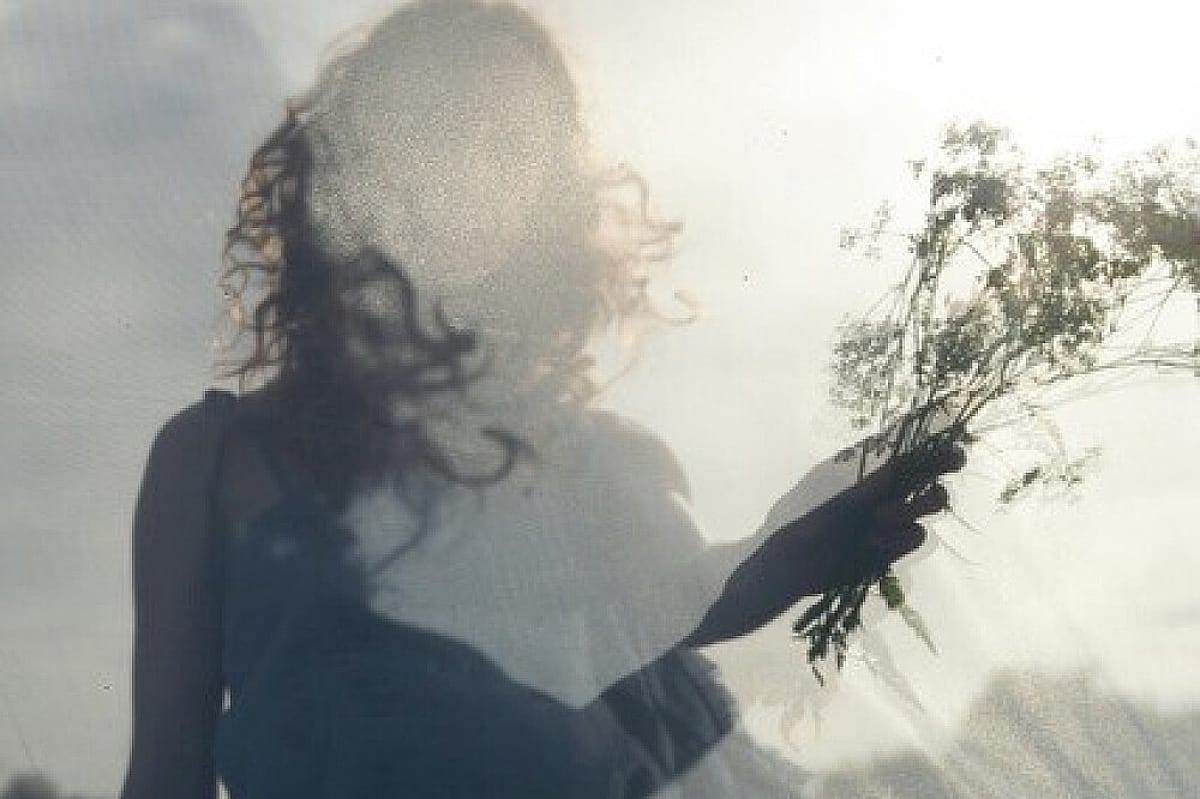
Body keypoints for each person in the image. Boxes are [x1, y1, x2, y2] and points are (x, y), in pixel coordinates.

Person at [119, 1, 961, 796]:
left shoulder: (609, 463)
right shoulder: (212, 460)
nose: (472, 169)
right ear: (363, 150)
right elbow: (163, 777)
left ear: (544, 193)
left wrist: (790, 548)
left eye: (511, 144)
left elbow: (683, 632)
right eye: (439, 120)